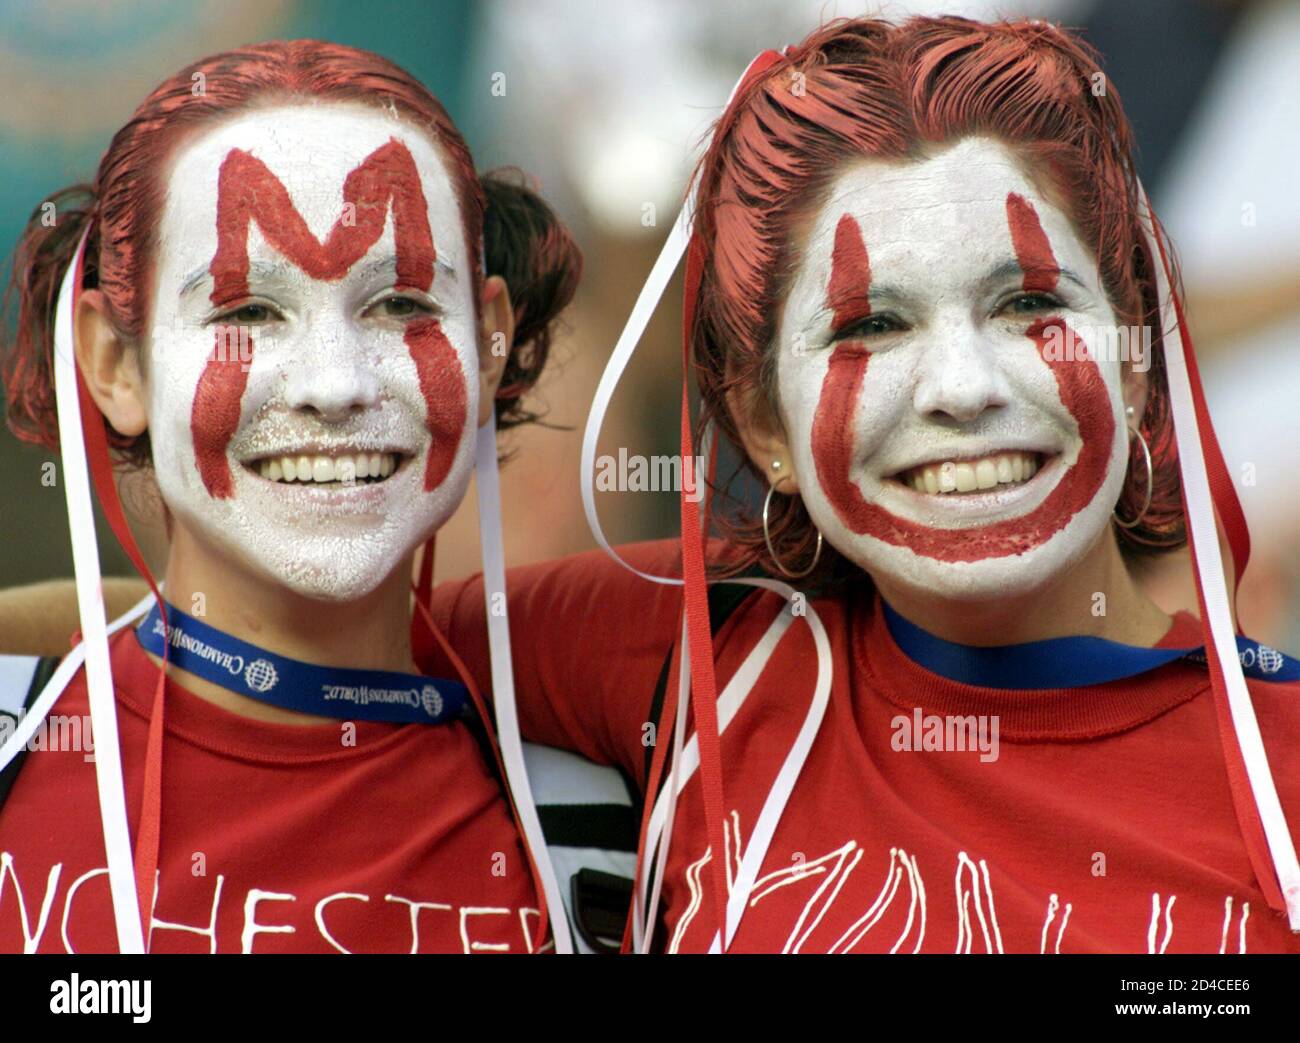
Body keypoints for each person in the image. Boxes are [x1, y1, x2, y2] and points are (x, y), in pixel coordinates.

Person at [429, 16, 1300, 953]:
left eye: (1029, 304)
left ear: (1136, 358)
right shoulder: (685, 655)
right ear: (765, 424)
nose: (963, 388)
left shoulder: (1283, 760)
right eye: (872, 326)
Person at [0, 39, 604, 954]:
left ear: (488, 343)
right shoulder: (17, 743)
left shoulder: (613, 835)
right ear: (115, 362)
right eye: (246, 312)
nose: (333, 383)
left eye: (401, 304)